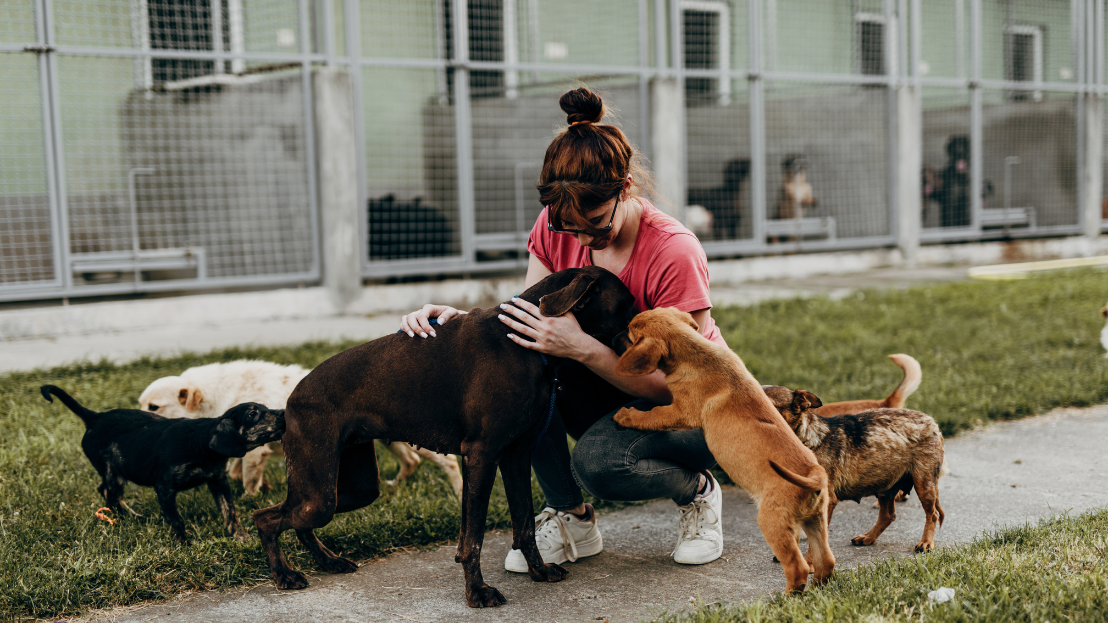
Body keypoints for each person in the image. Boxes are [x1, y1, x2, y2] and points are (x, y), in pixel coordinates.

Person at [400, 87, 728, 571]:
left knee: (600, 463)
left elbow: (682, 387)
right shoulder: (557, 225)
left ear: (626, 188)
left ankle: (699, 492)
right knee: (517, 378)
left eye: (594, 225)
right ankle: (572, 517)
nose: (579, 240)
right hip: (608, 388)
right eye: (566, 228)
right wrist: (461, 322)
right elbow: (528, 320)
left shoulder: (673, 251)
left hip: (694, 409)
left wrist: (586, 350)